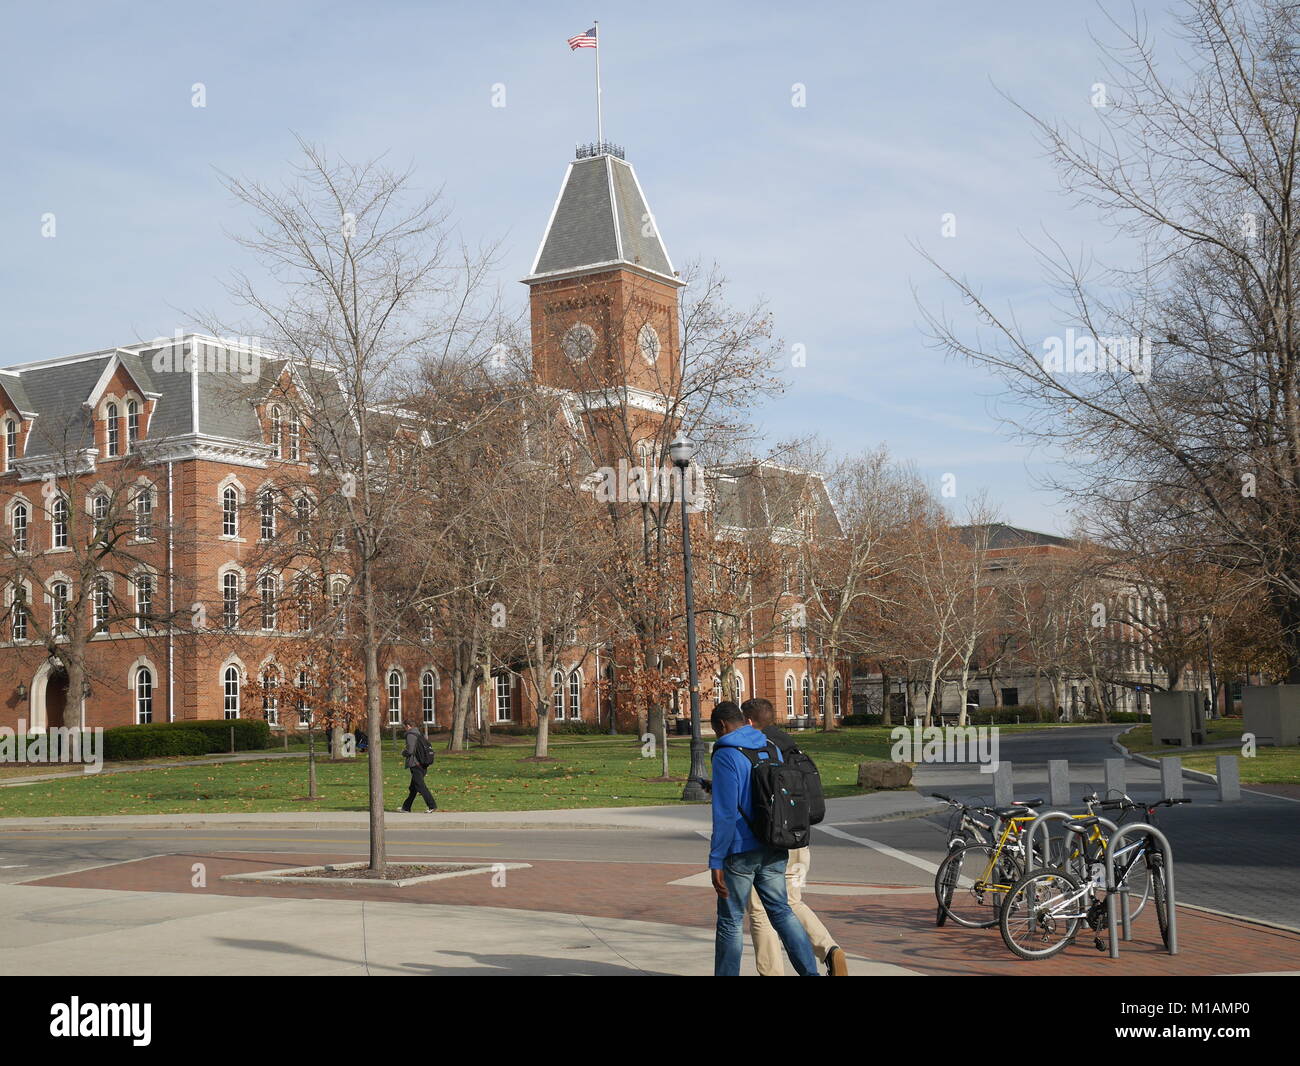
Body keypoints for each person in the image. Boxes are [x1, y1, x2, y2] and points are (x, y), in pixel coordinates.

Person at [708, 700, 820, 977]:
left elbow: (725, 812)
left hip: (740, 849)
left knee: (731, 922)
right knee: (781, 912)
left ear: (722, 726)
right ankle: (811, 974)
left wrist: (715, 860)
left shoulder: (725, 753)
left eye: (715, 730)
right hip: (774, 842)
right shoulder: (770, 746)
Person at [741, 697, 847, 976]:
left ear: (749, 722)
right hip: (799, 838)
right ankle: (830, 950)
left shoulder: (757, 747)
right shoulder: (789, 744)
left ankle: (772, 974)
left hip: (771, 843)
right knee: (791, 902)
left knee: (760, 911)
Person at [399, 719, 437, 813]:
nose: (404, 729)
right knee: (413, 788)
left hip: (416, 764)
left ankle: (432, 805)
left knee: (420, 786)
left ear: (408, 726)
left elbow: (410, 751)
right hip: (423, 764)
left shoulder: (410, 735)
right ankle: (406, 807)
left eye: (405, 727)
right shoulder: (420, 734)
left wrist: (403, 752)